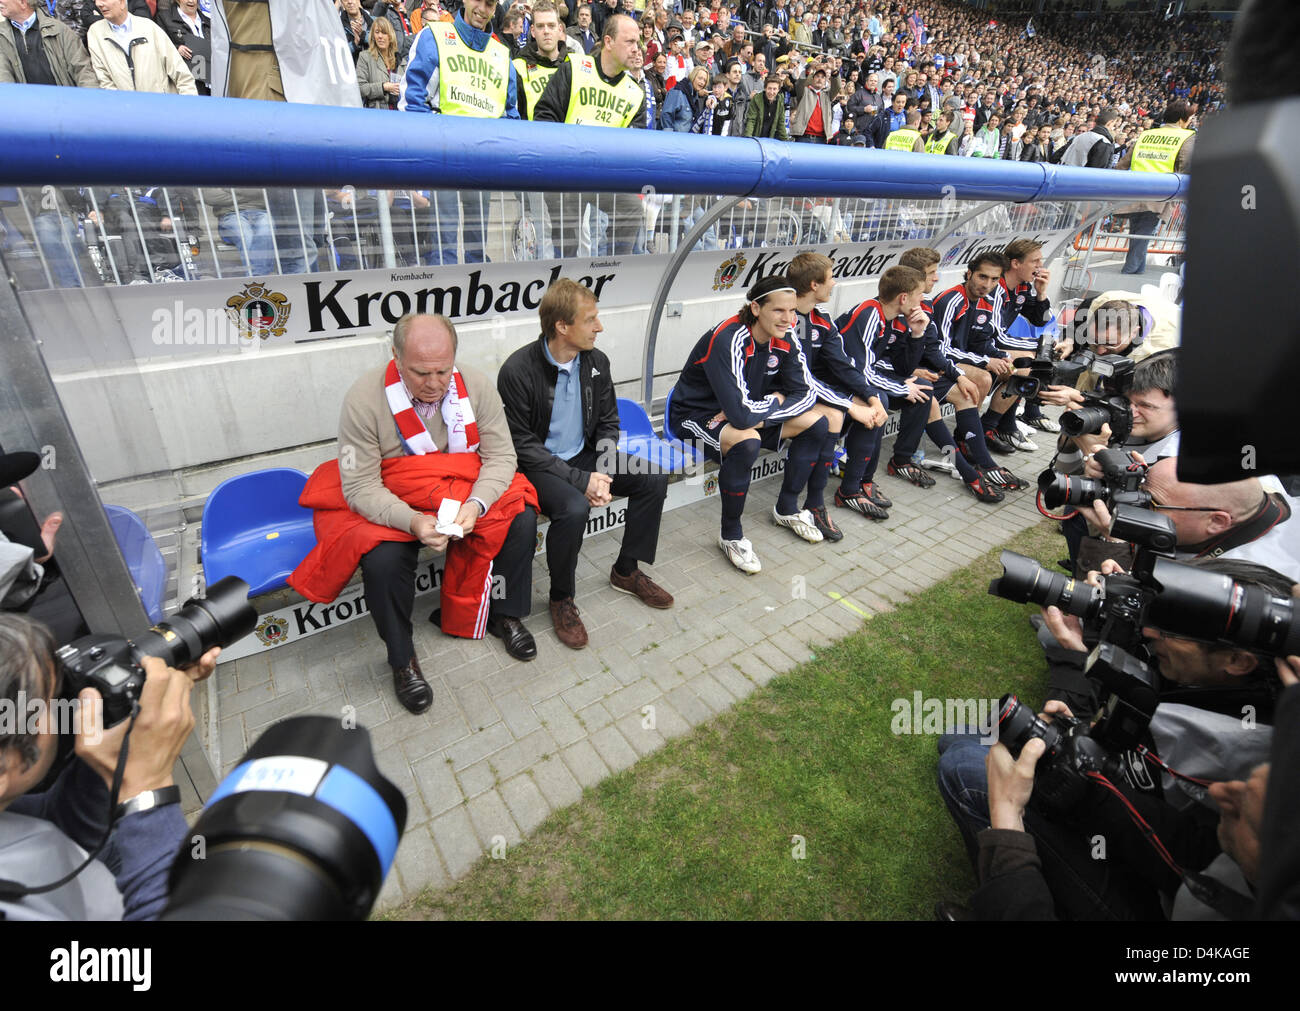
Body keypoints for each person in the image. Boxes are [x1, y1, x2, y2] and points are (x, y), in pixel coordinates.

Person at [290, 314, 541, 715]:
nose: (435, 383)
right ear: (396, 357)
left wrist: (476, 505)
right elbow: (359, 486)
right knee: (382, 561)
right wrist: (412, 521)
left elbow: (501, 456)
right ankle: (401, 658)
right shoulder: (363, 399)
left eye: (444, 370)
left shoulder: (475, 385)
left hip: (459, 488)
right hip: (395, 498)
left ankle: (504, 613)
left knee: (520, 515)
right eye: (421, 372)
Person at [0, 612, 220, 920]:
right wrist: (147, 790)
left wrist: (111, 754)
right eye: (51, 702)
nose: (68, 707)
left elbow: (58, 828)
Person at [496, 280, 672, 650]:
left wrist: (604, 469)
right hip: (539, 467)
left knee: (653, 476)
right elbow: (523, 445)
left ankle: (626, 571)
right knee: (574, 508)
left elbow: (609, 421)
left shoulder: (596, 361)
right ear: (562, 326)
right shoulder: (517, 370)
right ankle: (561, 598)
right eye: (591, 319)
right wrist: (581, 480)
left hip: (587, 458)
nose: (599, 327)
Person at [667, 275, 830, 574]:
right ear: (756, 308)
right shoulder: (729, 338)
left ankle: (787, 509)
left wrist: (765, 410)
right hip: (696, 416)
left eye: (792, 311)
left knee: (817, 423)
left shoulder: (787, 333)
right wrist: (772, 401)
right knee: (748, 441)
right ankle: (731, 535)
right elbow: (742, 417)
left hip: (750, 410)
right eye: (779, 310)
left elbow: (807, 393)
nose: (788, 319)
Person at [400, 0, 521, 265]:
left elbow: (511, 115)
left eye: (490, 3)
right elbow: (411, 102)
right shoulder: (434, 36)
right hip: (442, 158)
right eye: (478, 0)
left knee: (477, 245)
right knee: (444, 248)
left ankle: (474, 287)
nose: (483, 9)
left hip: (484, 161)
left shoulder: (502, 54)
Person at [788, 252, 889, 534]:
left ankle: (852, 487)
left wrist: (869, 396)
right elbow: (799, 378)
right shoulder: (784, 318)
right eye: (831, 278)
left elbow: (844, 365)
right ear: (813, 285)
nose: (834, 283)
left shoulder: (821, 318)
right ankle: (812, 502)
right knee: (833, 415)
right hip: (785, 394)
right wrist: (849, 405)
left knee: (876, 402)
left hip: (810, 390)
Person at [929, 251, 1028, 495]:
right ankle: (968, 442)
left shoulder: (989, 300)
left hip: (962, 361)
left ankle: (984, 430)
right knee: (983, 376)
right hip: (941, 364)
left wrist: (1002, 357)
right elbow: (939, 349)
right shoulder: (950, 299)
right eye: (983, 277)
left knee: (1022, 371)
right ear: (969, 273)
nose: (987, 284)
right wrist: (986, 361)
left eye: (994, 279)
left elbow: (987, 338)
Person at [1116, 99, 1194, 275]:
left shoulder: (1146, 134)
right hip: (1160, 194)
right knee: (1141, 236)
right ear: (1182, 119)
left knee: (1137, 234)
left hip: (1133, 190)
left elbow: (1123, 163)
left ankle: (1136, 272)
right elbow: (1185, 167)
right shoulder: (1187, 136)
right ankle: (1128, 272)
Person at [0, 0, 97, 86]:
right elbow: (3, 78)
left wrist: (90, 101)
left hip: (64, 101)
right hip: (24, 103)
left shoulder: (60, 30)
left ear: (22, 2)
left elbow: (83, 71)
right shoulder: (2, 36)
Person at [357, 16, 402, 109]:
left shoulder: (399, 59)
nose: (380, 36)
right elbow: (360, 88)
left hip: (399, 112)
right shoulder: (365, 57)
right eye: (377, 32)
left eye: (384, 32)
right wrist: (383, 87)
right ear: (373, 36)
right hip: (377, 113)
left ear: (390, 36)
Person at [789, 59, 835, 143]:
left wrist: (834, 70)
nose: (820, 79)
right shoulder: (804, 91)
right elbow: (800, 83)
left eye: (822, 77)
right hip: (804, 136)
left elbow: (837, 86)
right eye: (817, 76)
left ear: (825, 81)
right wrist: (808, 68)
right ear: (812, 79)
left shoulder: (827, 95)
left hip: (821, 138)